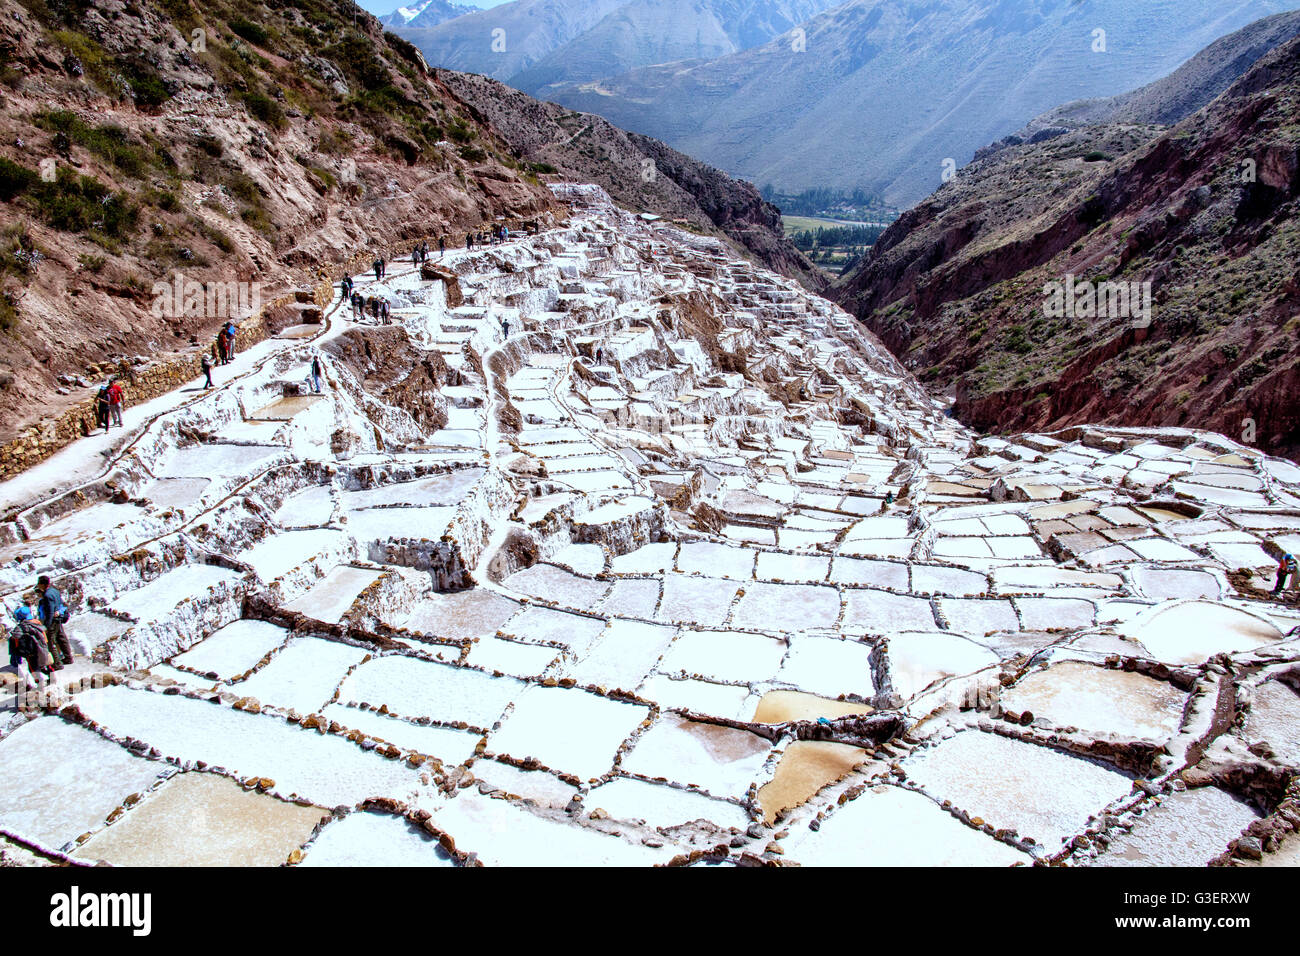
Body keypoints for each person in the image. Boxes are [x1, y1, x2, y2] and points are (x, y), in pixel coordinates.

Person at [10, 605, 51, 693]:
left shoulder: (21, 627)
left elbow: (16, 636)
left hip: (31, 651)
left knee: (33, 668)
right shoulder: (37, 622)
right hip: (42, 647)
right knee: (44, 664)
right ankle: (51, 679)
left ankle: (41, 686)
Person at [37, 575, 72, 669]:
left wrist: (46, 626)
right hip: (58, 618)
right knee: (61, 638)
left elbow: (50, 612)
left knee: (51, 642)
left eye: (39, 584)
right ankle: (68, 658)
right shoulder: (55, 591)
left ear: (43, 584)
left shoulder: (47, 595)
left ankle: (57, 664)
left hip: (52, 621)